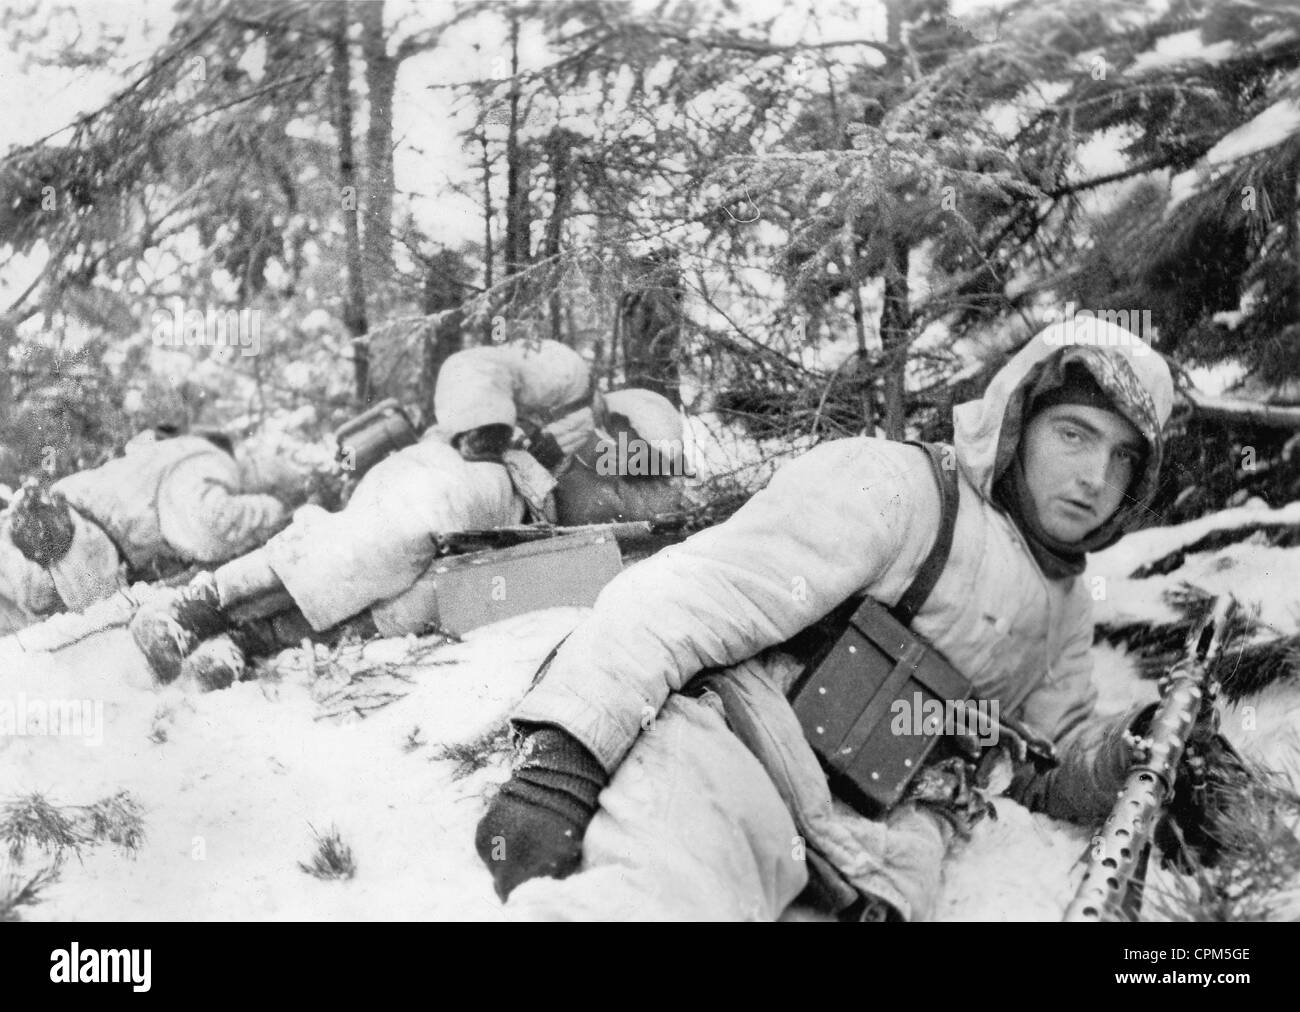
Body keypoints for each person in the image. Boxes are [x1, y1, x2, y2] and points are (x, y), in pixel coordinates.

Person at [472, 320, 1178, 922]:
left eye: (1122, 457)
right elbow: (688, 597)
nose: (1095, 477)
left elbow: (1048, 766)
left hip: (873, 857)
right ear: (1020, 424)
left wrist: (1132, 753)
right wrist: (561, 767)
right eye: (1075, 435)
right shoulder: (899, 490)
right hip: (739, 750)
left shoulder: (1067, 600)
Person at [128, 339, 688, 688]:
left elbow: (613, 550)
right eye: (627, 453)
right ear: (618, 422)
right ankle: (199, 608)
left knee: (419, 602)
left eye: (642, 474)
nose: (624, 478)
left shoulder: (652, 495)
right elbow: (475, 364)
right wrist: (488, 428)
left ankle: (251, 642)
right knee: (392, 538)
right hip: (472, 466)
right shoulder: (565, 376)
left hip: (513, 534)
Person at [0, 426, 292, 625]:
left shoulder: (173, 453)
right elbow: (207, 526)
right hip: (71, 549)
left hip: (61, 547)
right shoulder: (208, 456)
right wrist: (274, 511)